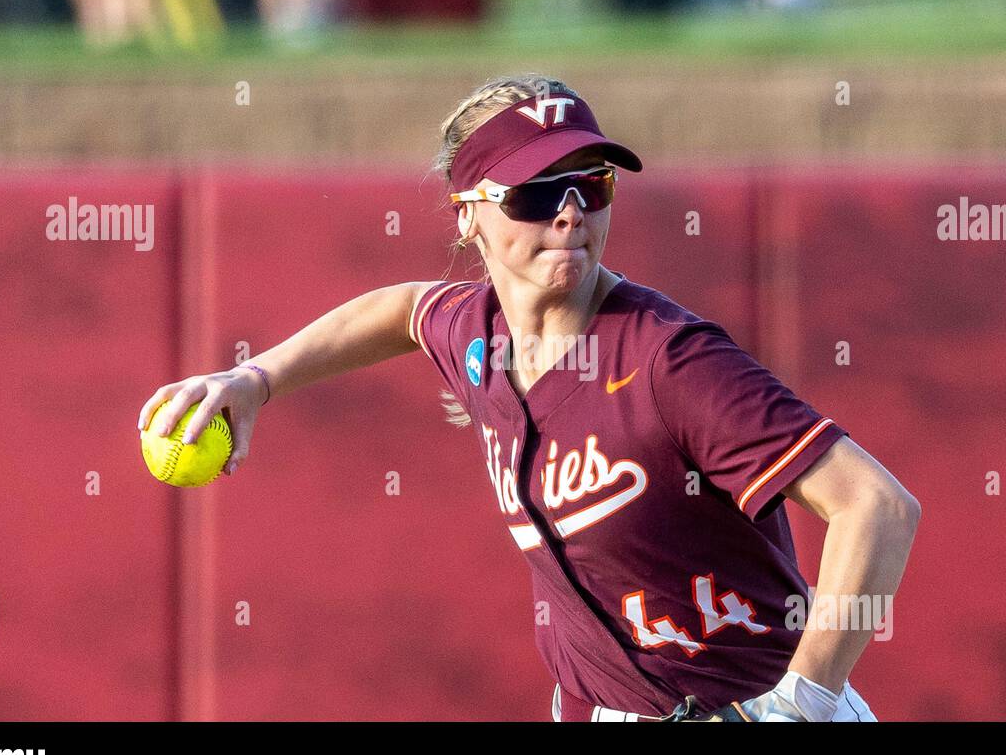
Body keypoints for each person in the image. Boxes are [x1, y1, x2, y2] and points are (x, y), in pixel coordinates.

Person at [137, 73, 920, 722]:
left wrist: (804, 697)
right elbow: (402, 310)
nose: (572, 210)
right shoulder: (474, 334)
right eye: (536, 193)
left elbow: (877, 506)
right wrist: (256, 378)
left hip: (753, 704)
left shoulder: (667, 359)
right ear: (468, 213)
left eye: (591, 182)